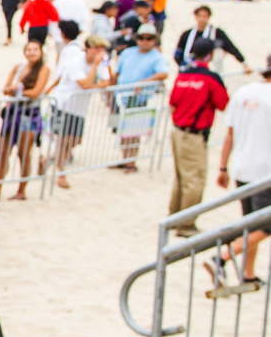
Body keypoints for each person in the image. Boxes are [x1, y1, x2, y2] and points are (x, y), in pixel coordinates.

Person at [210, 55, 271, 287]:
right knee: (265, 226)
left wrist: (223, 166)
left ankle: (248, 275)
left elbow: (230, 134)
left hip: (243, 167)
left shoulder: (243, 92)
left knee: (251, 225)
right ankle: (222, 258)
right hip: (265, 172)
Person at [168, 37, 230, 234]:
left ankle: (174, 217)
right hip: (194, 134)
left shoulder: (183, 75)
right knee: (195, 180)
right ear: (210, 55)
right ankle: (186, 224)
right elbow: (223, 103)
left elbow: (173, 103)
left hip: (178, 131)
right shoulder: (211, 79)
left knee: (181, 177)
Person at [44, 25, 110, 189]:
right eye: (97, 48)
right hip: (64, 105)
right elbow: (85, 84)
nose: (100, 52)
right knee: (63, 140)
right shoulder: (76, 61)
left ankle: (48, 160)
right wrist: (95, 66)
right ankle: (61, 174)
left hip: (79, 108)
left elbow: (106, 81)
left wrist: (97, 75)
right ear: (87, 48)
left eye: (101, 48)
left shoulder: (100, 61)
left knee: (75, 140)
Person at [110, 22, 172, 171]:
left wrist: (143, 82)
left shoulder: (157, 57)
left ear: (154, 40)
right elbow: (117, 73)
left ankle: (131, 161)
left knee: (133, 130)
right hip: (120, 97)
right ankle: (125, 158)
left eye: (149, 38)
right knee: (120, 129)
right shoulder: (127, 53)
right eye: (142, 38)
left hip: (138, 99)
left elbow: (164, 73)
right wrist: (111, 92)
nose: (145, 41)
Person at [0, 39, 50, 200]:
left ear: (41, 52)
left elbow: (36, 92)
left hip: (29, 113)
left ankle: (21, 190)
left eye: (35, 49)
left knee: (23, 153)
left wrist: (18, 92)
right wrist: (12, 90)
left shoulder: (44, 69)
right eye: (29, 49)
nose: (32, 52)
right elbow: (5, 89)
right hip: (12, 113)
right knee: (3, 152)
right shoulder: (18, 67)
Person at [174, 5, 245, 69]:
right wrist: (185, 66)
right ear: (195, 17)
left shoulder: (216, 32)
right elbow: (178, 54)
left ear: (209, 17)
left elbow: (230, 47)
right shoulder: (186, 34)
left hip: (209, 69)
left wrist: (243, 62)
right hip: (188, 68)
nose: (202, 19)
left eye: (205, 16)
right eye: (199, 16)